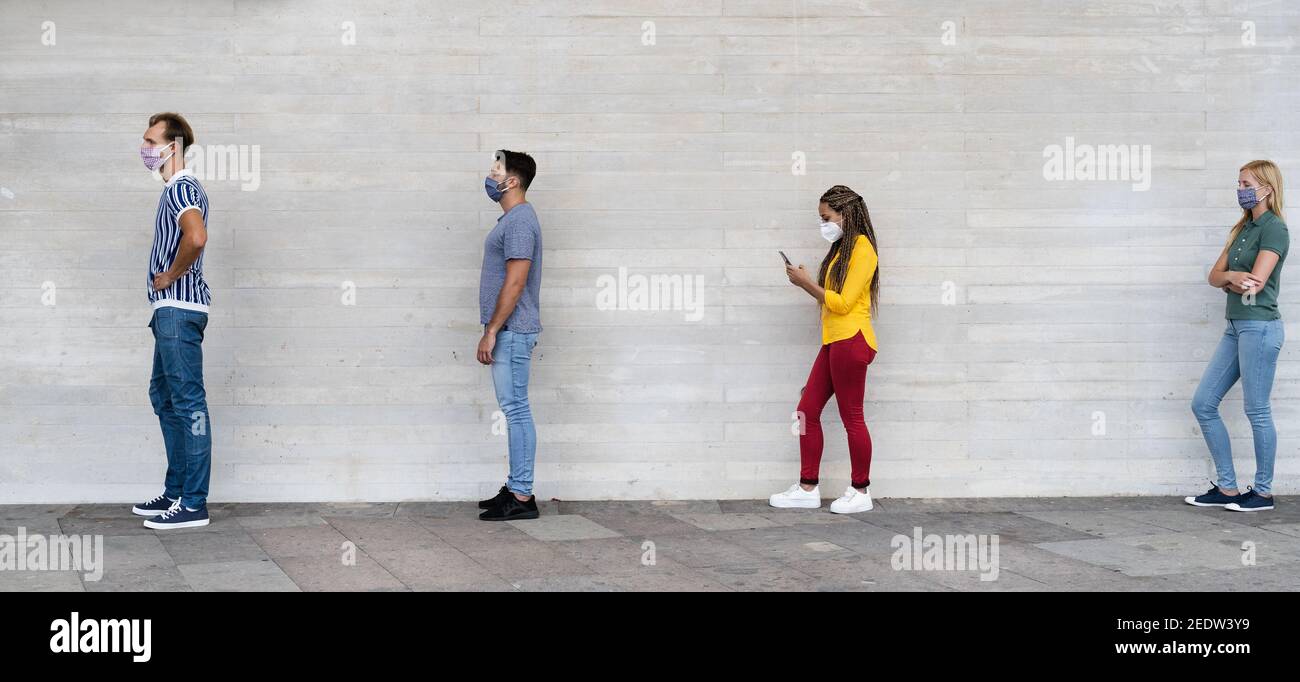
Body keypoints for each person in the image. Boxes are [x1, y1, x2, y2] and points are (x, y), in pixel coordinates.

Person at [770, 185, 881, 514]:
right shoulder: (839, 251)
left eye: (826, 218)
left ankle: (861, 491)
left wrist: (806, 283)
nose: (823, 225)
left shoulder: (863, 249)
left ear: (845, 214)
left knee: (852, 418)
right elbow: (831, 302)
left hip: (852, 340)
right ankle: (807, 488)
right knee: (806, 410)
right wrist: (806, 283)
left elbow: (844, 303)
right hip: (834, 341)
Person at [1187, 160, 1288, 512]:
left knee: (1257, 410)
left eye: (1245, 182)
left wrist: (1232, 277)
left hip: (1259, 327)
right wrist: (1232, 276)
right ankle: (1227, 488)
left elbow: (1255, 282)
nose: (1240, 189)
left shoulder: (1274, 229)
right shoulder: (1242, 228)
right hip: (1235, 327)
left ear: (1266, 188)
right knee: (1203, 403)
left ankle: (1262, 493)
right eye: (1238, 182)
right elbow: (1214, 277)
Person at [130, 112, 214, 529]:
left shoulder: (182, 187)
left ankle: (193, 503)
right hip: (170, 311)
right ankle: (177, 490)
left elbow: (195, 237)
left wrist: (172, 275)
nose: (145, 148)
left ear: (172, 146)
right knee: (164, 398)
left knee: (187, 403)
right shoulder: (174, 190)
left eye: (150, 140)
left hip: (179, 309)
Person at [476, 150, 544, 521]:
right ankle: (517, 485)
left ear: (512, 181)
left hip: (513, 331)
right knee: (514, 408)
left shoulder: (519, 221)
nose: (490, 175)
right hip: (510, 330)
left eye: (495, 170)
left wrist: (492, 331)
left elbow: (516, 281)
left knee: (516, 410)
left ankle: (521, 496)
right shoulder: (514, 219)